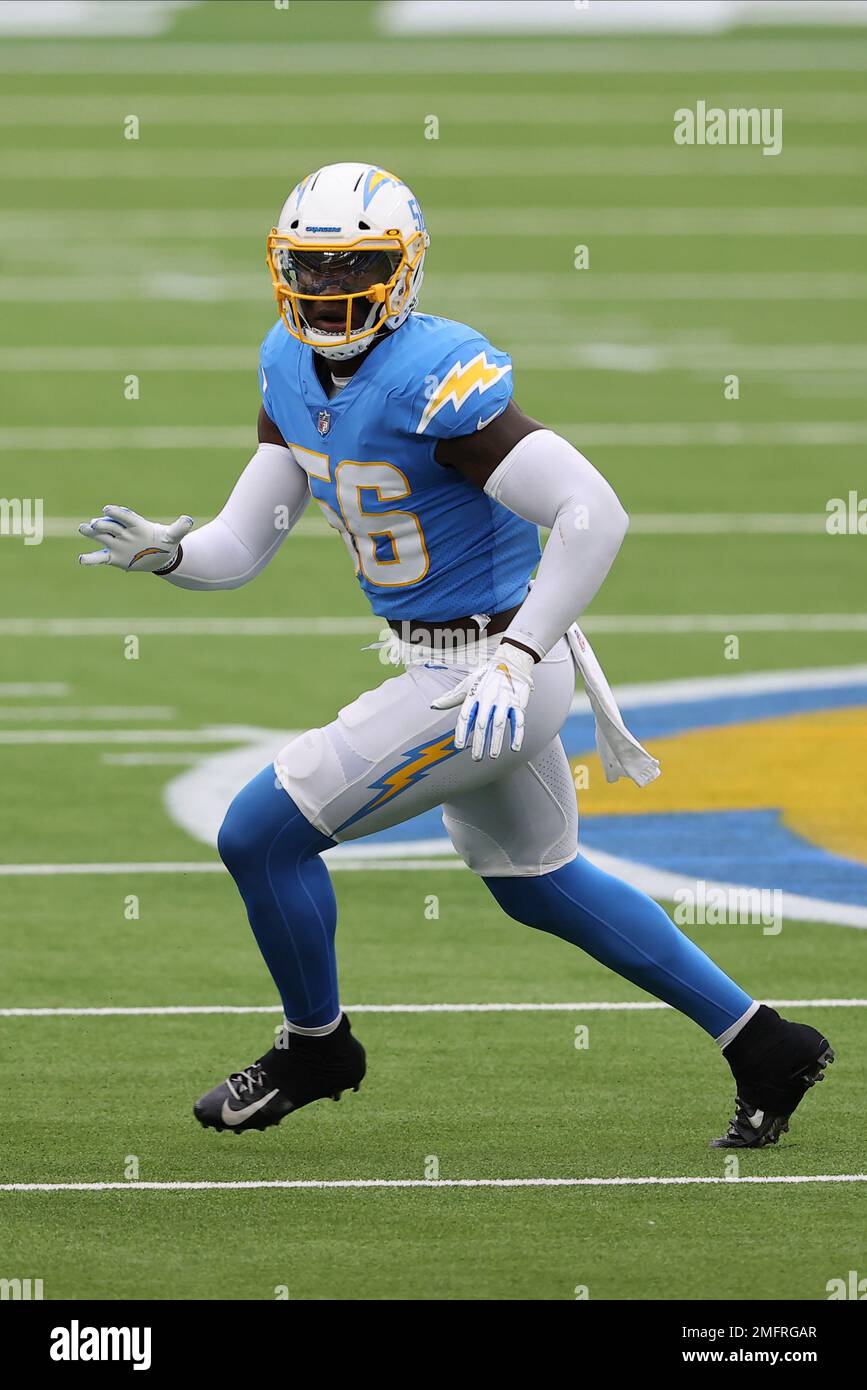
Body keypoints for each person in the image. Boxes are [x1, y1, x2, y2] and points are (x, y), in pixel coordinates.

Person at [79, 163, 833, 1149]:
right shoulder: (285, 364)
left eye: (352, 265)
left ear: (404, 271)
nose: (325, 287)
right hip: (458, 664)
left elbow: (594, 512)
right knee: (537, 881)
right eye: (308, 267)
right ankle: (766, 1043)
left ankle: (319, 1048)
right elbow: (244, 542)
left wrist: (519, 655)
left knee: (259, 833)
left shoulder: (435, 375)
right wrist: (175, 556)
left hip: (493, 671)